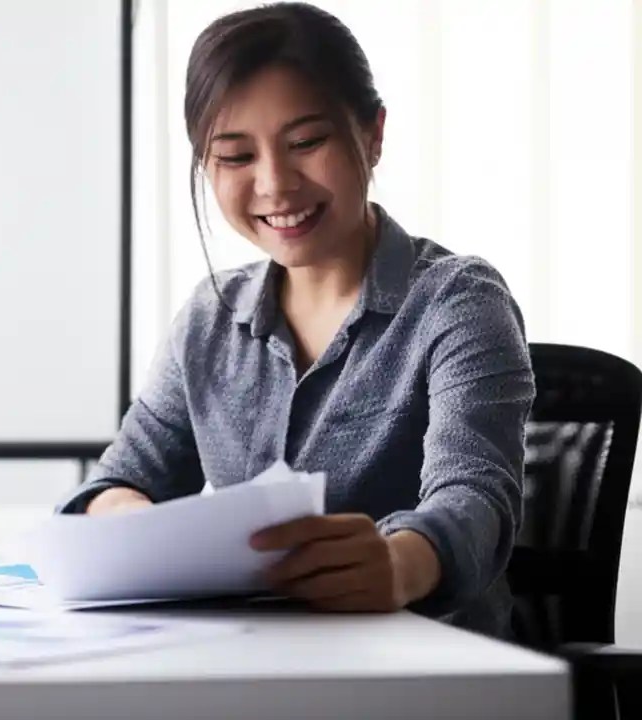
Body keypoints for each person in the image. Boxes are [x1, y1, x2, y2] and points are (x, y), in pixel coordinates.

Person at [58, 1, 534, 638]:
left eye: (307, 142)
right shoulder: (210, 317)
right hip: (253, 662)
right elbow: (115, 483)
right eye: (234, 157)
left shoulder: (458, 301)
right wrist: (128, 526)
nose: (276, 185)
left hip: (427, 667)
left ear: (372, 134)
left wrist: (401, 562)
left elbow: (476, 495)